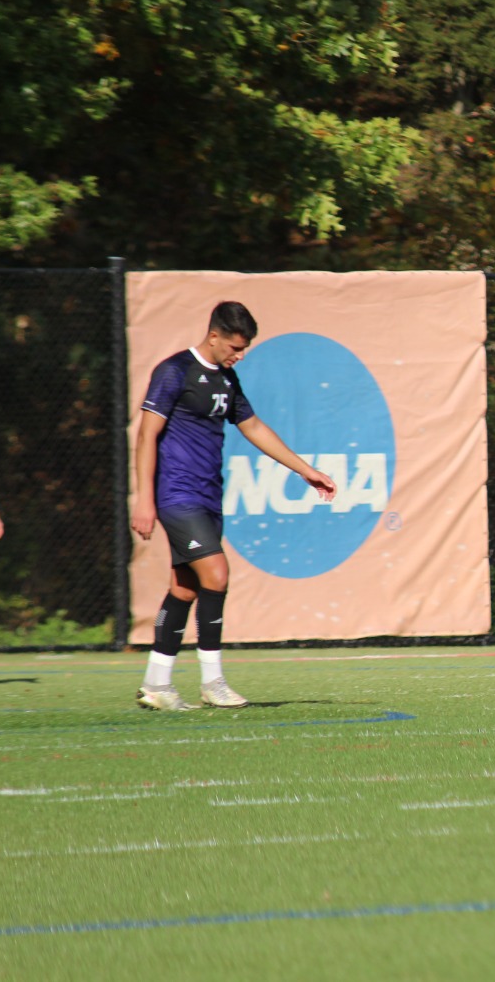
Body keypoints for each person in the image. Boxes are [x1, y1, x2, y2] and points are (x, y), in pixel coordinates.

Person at [131, 302, 337, 711]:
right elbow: (146, 435)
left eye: (244, 349)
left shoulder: (227, 379)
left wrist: (305, 470)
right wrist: (144, 498)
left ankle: (156, 684)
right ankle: (214, 682)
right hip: (177, 495)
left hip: (208, 497)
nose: (239, 355)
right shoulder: (174, 371)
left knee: (185, 586)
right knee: (218, 574)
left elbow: (254, 427)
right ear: (214, 336)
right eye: (235, 347)